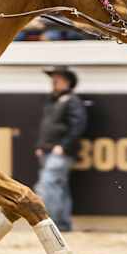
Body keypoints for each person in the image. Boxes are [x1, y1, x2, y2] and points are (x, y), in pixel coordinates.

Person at [33, 66, 87, 233]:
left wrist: (64, 146)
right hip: (49, 150)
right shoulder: (53, 100)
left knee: (48, 184)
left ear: (67, 82)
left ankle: (54, 223)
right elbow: (48, 126)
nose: (54, 81)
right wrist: (41, 146)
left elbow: (78, 126)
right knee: (59, 186)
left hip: (60, 152)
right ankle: (62, 224)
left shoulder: (71, 100)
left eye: (58, 78)